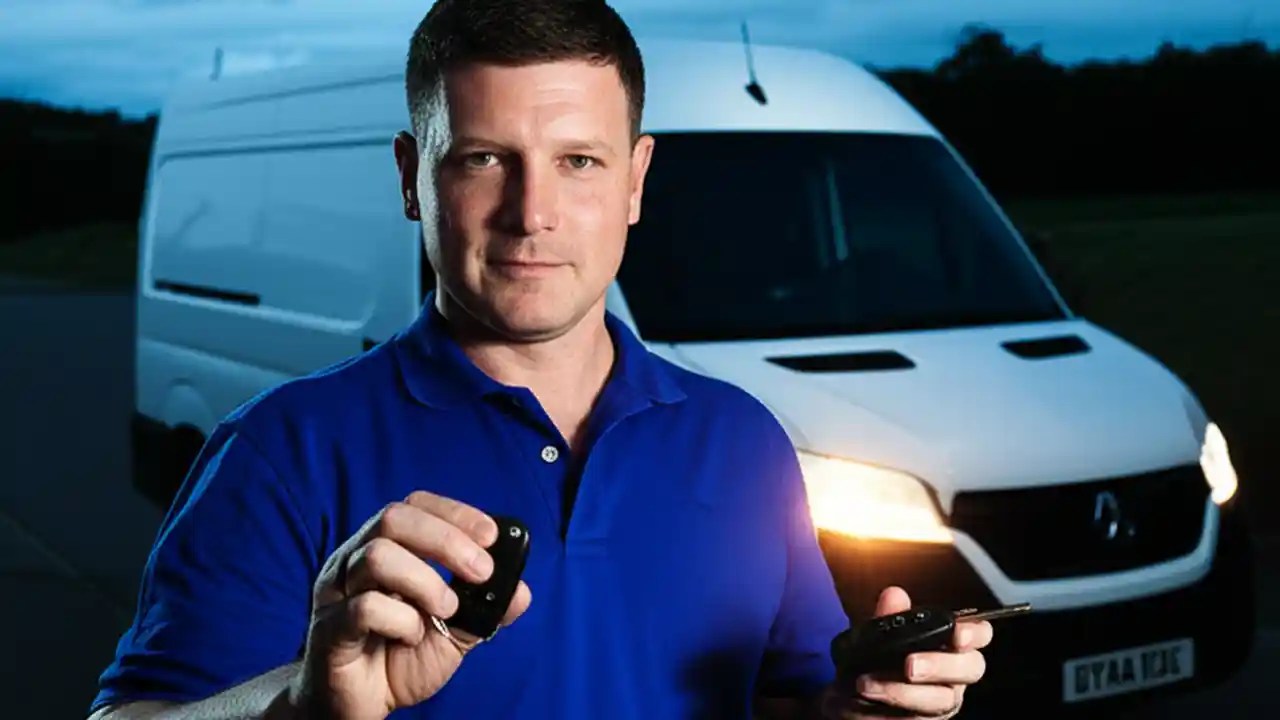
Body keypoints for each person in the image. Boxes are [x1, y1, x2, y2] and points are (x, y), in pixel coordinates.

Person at [88, 1, 995, 718]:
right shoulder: (280, 450)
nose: (533, 212)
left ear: (637, 181)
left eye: (579, 163)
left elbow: (790, 695)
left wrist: (857, 708)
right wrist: (298, 706)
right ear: (412, 177)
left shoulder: (744, 438)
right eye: (485, 159)